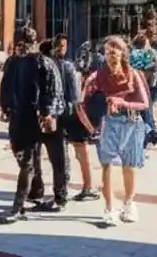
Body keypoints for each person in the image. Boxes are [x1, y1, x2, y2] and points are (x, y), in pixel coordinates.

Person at [0, 27, 67, 224]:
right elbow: (6, 86)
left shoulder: (42, 62)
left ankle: (19, 206)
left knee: (35, 161)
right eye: (18, 42)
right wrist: (6, 107)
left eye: (24, 43)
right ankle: (35, 190)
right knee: (23, 158)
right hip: (19, 117)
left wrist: (48, 113)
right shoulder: (13, 62)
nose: (20, 47)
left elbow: (53, 90)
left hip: (36, 118)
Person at [78, 36, 150, 226]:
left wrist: (123, 102)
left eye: (115, 50)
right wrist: (91, 127)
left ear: (123, 53)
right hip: (109, 124)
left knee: (129, 166)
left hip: (131, 123)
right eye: (108, 50)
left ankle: (129, 204)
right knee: (107, 166)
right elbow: (81, 102)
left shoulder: (133, 74)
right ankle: (110, 208)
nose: (111, 54)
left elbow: (144, 103)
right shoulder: (98, 76)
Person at [49, 35, 99, 203]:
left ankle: (88, 186)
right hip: (69, 113)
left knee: (79, 152)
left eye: (63, 45)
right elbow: (76, 97)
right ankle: (87, 186)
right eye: (60, 45)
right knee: (78, 152)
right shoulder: (66, 66)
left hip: (68, 114)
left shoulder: (62, 66)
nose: (62, 48)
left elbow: (76, 97)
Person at [129, 34, 157, 146]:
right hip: (146, 85)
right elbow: (155, 70)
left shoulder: (131, 54)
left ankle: (147, 133)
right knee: (147, 110)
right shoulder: (150, 53)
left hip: (134, 86)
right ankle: (150, 132)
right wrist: (153, 84)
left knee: (138, 112)